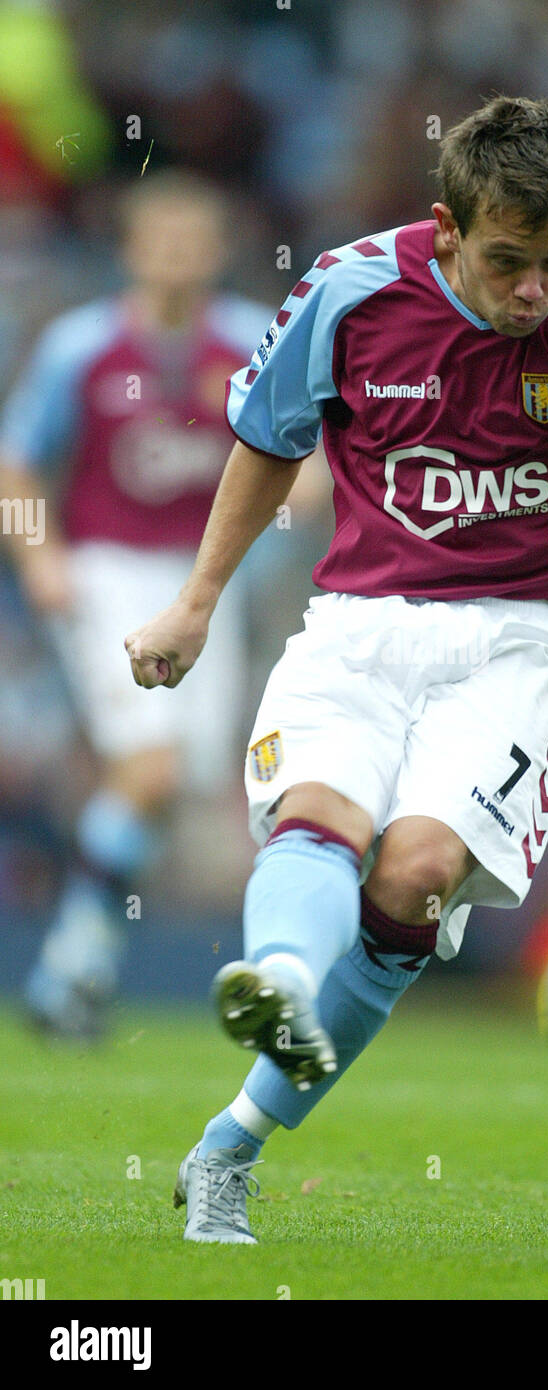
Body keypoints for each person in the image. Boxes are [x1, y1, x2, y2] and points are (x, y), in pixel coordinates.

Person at [125, 96, 548, 1244]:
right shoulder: (349, 290)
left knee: (416, 874)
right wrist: (195, 601)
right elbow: (267, 439)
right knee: (320, 815)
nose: (533, 289)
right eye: (506, 260)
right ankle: (283, 981)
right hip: (359, 622)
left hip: (519, 641)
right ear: (446, 228)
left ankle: (230, 1143)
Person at [0, 171, 274, 1037]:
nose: (177, 257)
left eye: (194, 241)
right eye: (162, 240)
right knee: (151, 769)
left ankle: (73, 971)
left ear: (219, 252)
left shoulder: (250, 340)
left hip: (207, 581)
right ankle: (72, 968)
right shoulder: (81, 346)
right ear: (129, 251)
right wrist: (40, 558)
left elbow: (302, 437)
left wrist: (306, 487)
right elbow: (15, 464)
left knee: (173, 783)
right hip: (110, 572)